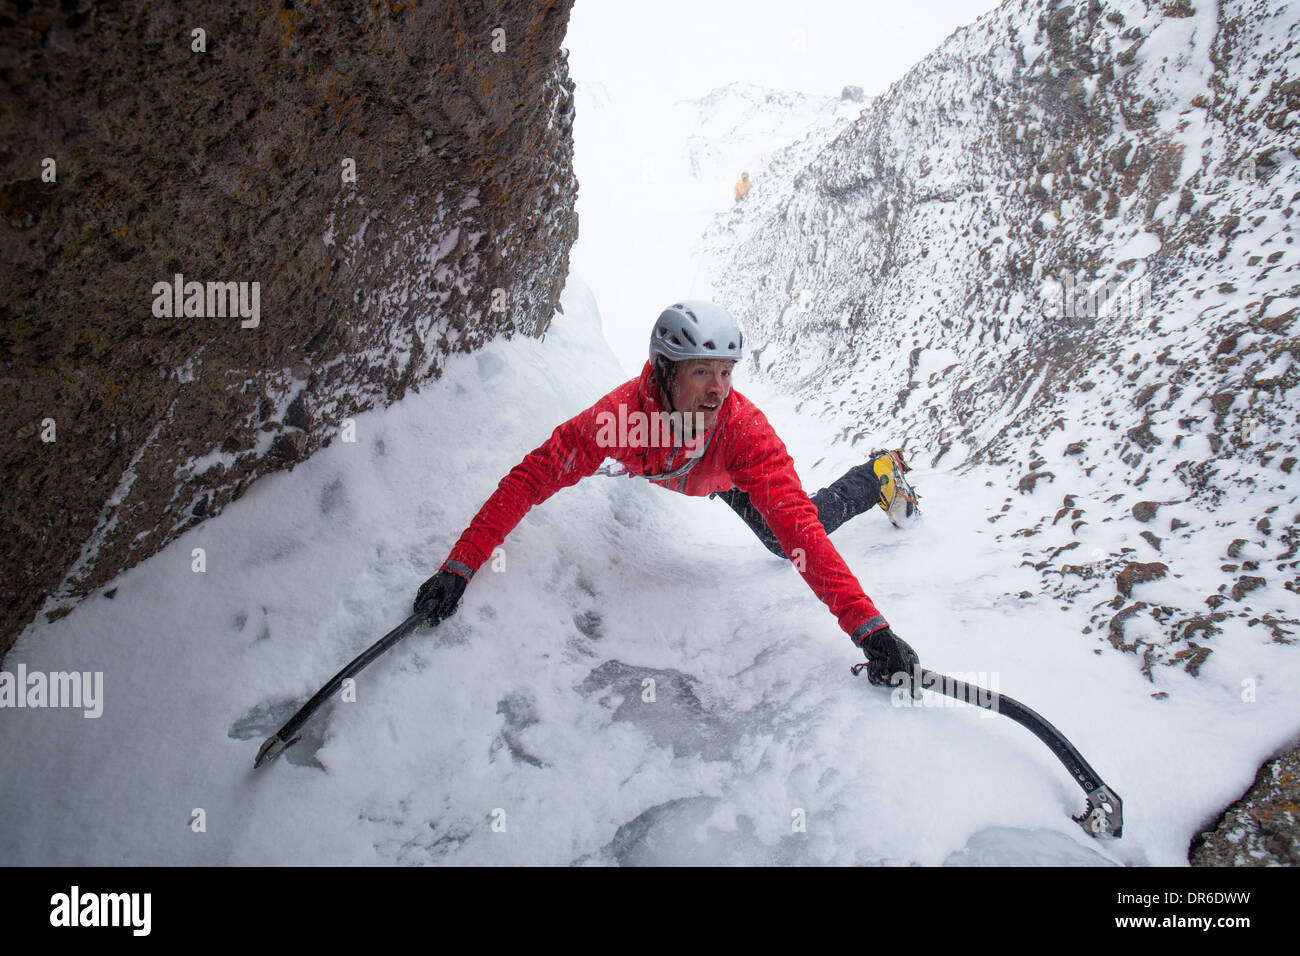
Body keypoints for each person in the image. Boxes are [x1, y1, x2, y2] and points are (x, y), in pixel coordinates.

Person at [414, 300, 920, 686]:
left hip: (727, 475)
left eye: (726, 372)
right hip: (687, 471)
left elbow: (802, 534)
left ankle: (876, 474)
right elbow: (530, 479)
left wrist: (870, 631)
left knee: (785, 538)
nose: (718, 389)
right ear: (663, 370)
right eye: (702, 371)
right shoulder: (618, 421)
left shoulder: (746, 432)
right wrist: (460, 567)